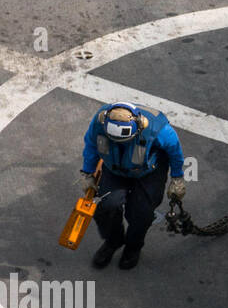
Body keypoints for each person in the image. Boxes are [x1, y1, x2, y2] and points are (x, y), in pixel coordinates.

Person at [78, 102, 186, 270]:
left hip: (148, 172)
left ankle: (133, 247)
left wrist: (177, 179)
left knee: (141, 214)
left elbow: (175, 151)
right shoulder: (99, 122)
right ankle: (113, 241)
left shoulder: (160, 130)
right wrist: (87, 173)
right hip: (114, 168)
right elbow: (91, 145)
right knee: (107, 207)